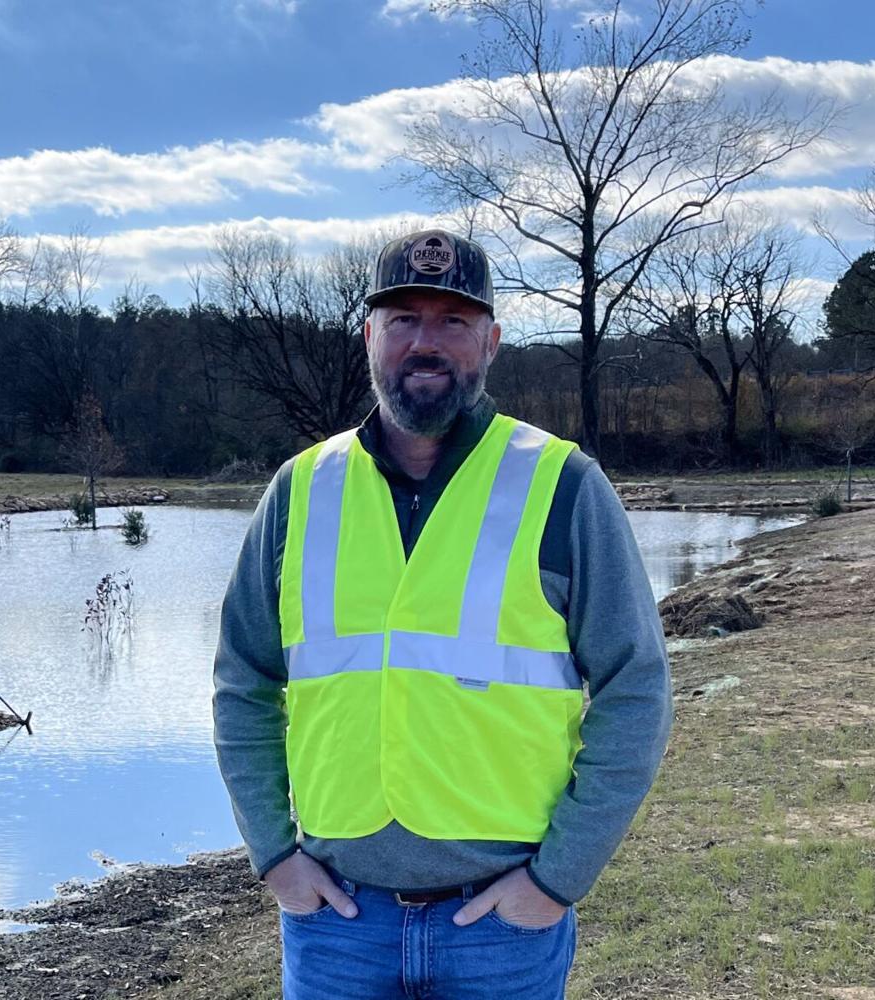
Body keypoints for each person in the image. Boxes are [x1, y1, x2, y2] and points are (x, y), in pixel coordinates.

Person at [212, 228, 673, 999]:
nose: (426, 342)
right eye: (404, 320)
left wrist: (556, 881)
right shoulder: (300, 492)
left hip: (500, 928)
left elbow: (637, 689)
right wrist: (274, 854)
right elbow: (243, 681)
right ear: (369, 338)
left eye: (453, 322)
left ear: (490, 342)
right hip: (337, 926)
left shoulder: (562, 485)